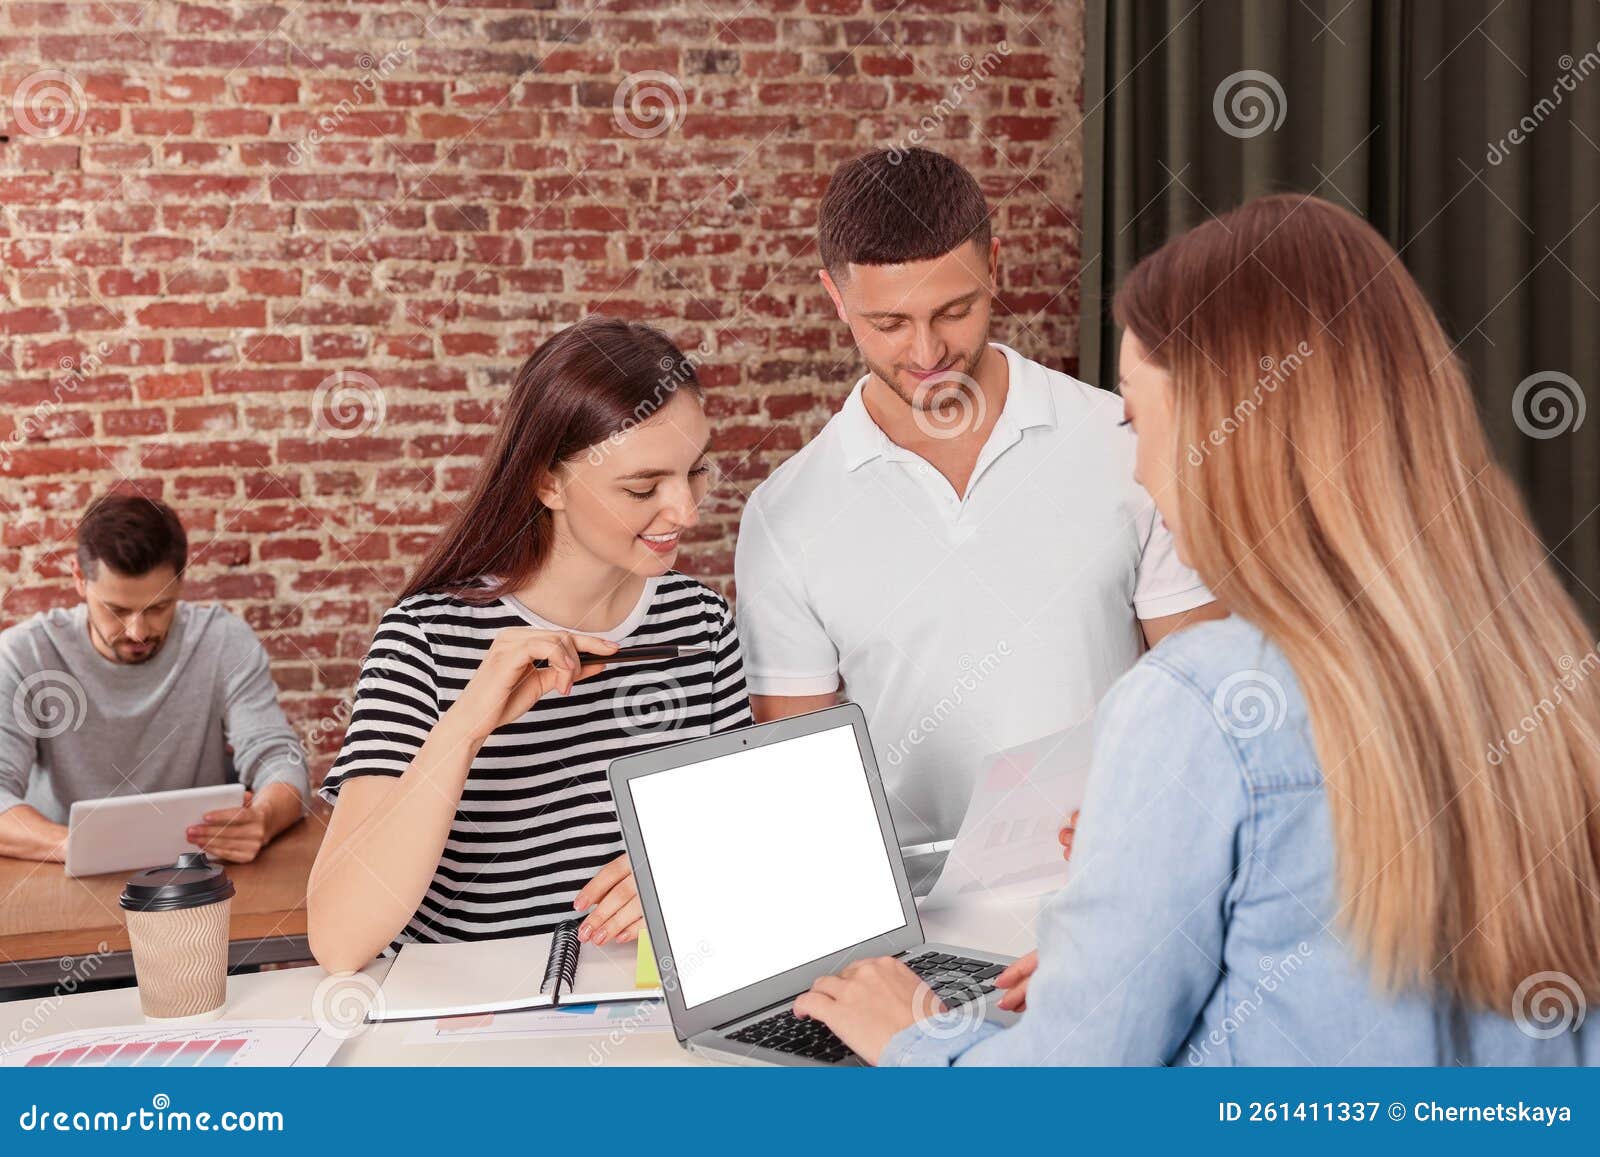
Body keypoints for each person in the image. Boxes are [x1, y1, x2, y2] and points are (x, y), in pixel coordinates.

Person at [793, 194, 1600, 1066]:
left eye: (1141, 421)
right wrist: (1105, 965)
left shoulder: (1204, 699)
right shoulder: (1536, 654)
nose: (1139, 469)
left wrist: (916, 1032)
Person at [734, 147, 1223, 864]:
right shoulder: (786, 516)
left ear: (995, 266)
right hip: (917, 914)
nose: (927, 350)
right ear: (836, 299)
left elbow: (1204, 689)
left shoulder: (1125, 441)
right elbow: (799, 784)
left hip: (1115, 874)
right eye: (889, 323)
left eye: (955, 310)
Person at [308, 316, 752, 973]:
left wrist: (694, 866)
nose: (686, 510)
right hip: (468, 1029)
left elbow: (745, 854)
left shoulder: (704, 625)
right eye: (643, 486)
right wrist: (464, 729)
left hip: (643, 1015)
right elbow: (340, 940)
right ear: (547, 483)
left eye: (695, 473)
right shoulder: (424, 639)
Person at [0, 493, 308, 863]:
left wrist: (264, 817)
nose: (138, 631)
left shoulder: (222, 641)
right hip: (61, 874)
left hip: (194, 874)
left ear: (180, 582)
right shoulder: (25, 654)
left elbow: (279, 757)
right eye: (117, 610)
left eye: (159, 607)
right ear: (79, 579)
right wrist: (83, 848)